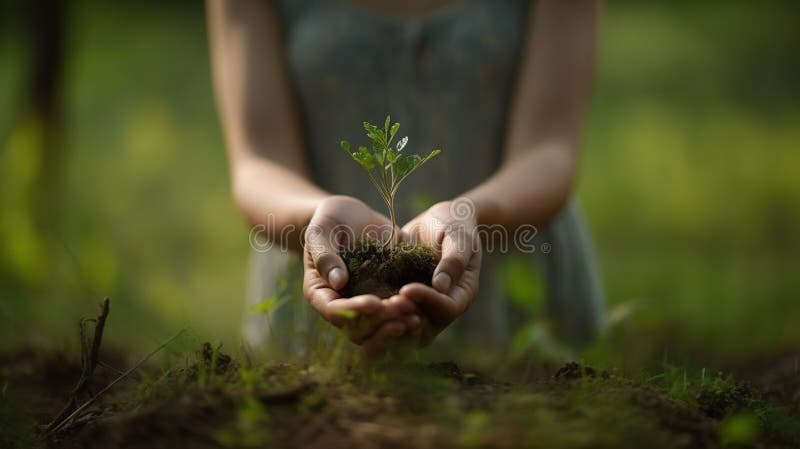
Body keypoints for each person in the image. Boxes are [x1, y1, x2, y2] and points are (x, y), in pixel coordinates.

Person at [206, 0, 604, 357]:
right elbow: (258, 163)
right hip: (332, 279)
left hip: (512, 282)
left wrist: (469, 215)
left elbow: (548, 152)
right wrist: (318, 217)